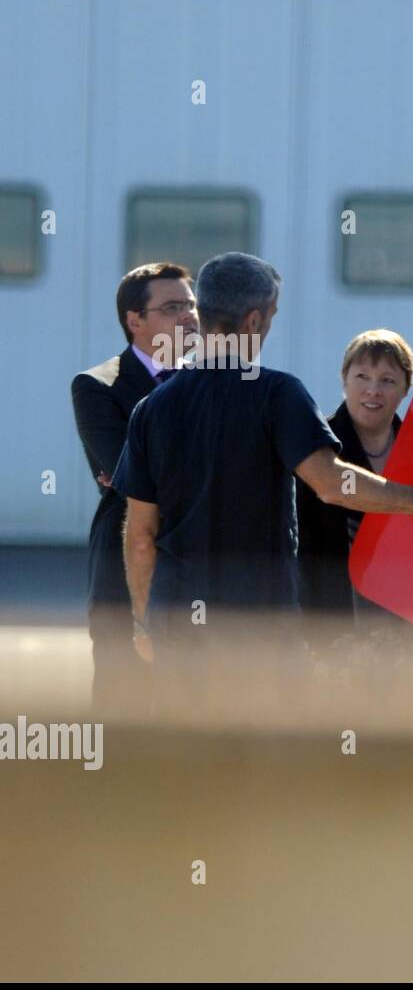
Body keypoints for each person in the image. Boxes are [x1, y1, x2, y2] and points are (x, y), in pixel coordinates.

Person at [112, 252, 413, 714]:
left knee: (189, 766)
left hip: (174, 624)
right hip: (260, 626)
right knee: (266, 768)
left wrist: (143, 624)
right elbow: (334, 485)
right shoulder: (277, 393)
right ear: (254, 321)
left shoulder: (152, 408)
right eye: (270, 316)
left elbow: (140, 538)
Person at [70, 262, 196, 712]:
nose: (189, 317)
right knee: (122, 693)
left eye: (191, 305)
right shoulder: (97, 385)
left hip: (195, 556)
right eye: (172, 307)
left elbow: (134, 472)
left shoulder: (211, 382)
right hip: (123, 555)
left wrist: (141, 469)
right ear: (134, 320)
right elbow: (124, 470)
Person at [296, 330, 413, 710]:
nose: (373, 390)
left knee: (406, 738)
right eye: (362, 378)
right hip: (332, 626)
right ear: (344, 380)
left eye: (388, 381)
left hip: (404, 628)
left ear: (405, 388)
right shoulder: (315, 446)